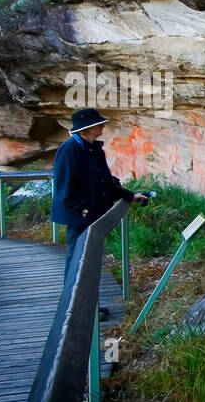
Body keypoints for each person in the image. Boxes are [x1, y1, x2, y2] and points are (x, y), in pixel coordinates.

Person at [52, 108, 149, 281]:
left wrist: (129, 196)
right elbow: (65, 186)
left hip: (94, 215)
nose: (103, 126)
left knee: (90, 259)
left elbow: (105, 182)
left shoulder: (94, 150)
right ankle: (72, 305)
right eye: (99, 124)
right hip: (81, 218)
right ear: (87, 128)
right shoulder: (69, 150)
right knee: (77, 258)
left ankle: (91, 306)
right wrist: (84, 210)